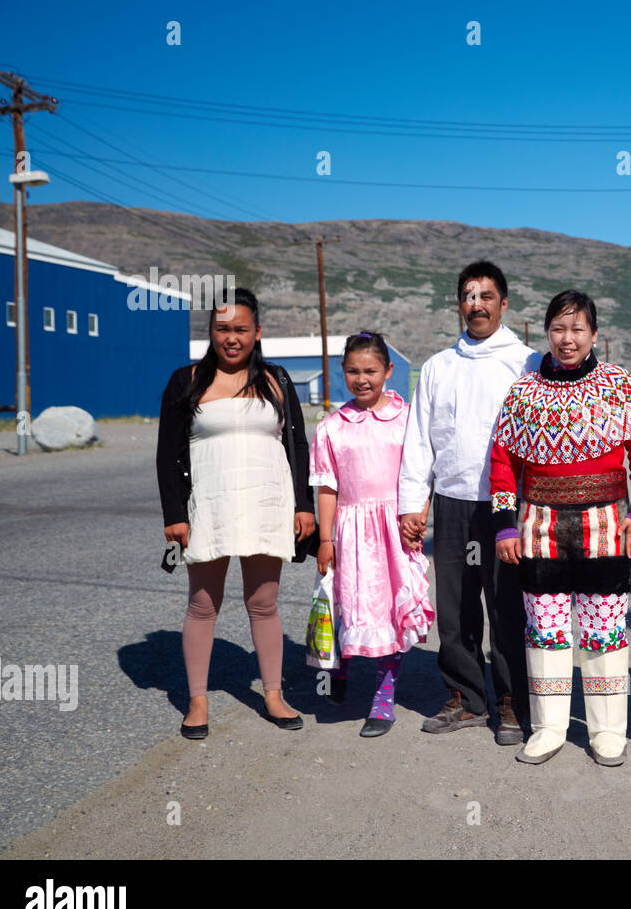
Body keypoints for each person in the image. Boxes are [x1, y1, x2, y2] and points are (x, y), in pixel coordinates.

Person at [489, 290, 631, 766]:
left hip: (605, 525)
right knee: (546, 631)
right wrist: (504, 527)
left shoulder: (619, 386)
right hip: (539, 526)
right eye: (559, 329)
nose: (568, 339)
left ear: (594, 334)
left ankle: (606, 730)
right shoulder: (524, 392)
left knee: (604, 631)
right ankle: (548, 727)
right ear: (547, 333)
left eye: (577, 329)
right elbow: (503, 462)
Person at [156, 287, 315, 738]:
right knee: (203, 605)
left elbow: (298, 445)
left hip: (268, 503)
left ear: (257, 332)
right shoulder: (184, 381)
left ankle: (273, 694)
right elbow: (168, 454)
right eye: (222, 329)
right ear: (210, 332)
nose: (231, 338)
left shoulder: (277, 380)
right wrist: (174, 515)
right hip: (209, 504)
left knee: (263, 604)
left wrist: (304, 505)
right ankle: (198, 700)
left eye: (241, 329)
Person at [398, 261, 542, 744]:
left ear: (504, 303)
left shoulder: (528, 363)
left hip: (507, 508)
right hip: (453, 503)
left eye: (486, 296)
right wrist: (413, 503)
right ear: (459, 304)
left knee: (506, 607)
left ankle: (510, 702)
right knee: (456, 608)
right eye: (467, 295)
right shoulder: (439, 366)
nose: (476, 304)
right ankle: (466, 698)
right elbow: (420, 439)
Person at [310, 332, 436, 737]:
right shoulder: (331, 428)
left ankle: (384, 695)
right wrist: (325, 539)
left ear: (388, 372)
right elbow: (327, 486)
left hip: (394, 527)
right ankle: (341, 663)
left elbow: (422, 475)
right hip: (350, 528)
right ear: (341, 372)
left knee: (390, 611)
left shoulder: (407, 420)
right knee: (348, 602)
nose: (361, 379)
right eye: (352, 371)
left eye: (370, 371)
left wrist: (417, 517)